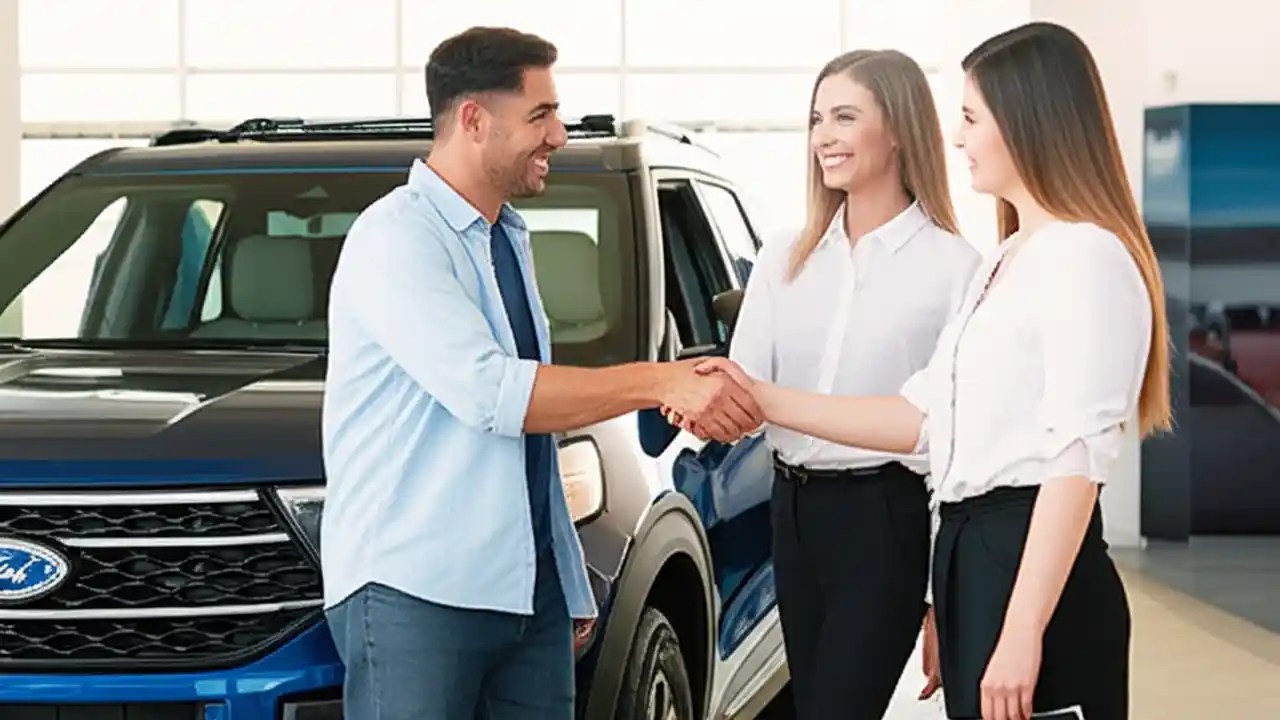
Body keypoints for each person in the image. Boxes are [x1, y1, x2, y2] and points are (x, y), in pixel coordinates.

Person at [689, 21, 1170, 720]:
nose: (958, 137)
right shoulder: (1008, 261)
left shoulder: (1085, 257)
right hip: (973, 553)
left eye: (971, 118)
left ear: (1028, 120)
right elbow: (918, 419)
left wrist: (1021, 632)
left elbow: (1076, 459)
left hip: (1021, 556)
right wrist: (754, 395)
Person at [319, 26, 762, 720]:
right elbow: (494, 394)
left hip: (527, 595)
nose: (558, 134)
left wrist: (565, 577)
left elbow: (530, 443)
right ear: (474, 120)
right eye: (540, 114)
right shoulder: (396, 237)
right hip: (418, 595)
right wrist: (660, 380)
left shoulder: (506, 237)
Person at [683, 48, 978, 719]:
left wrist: (940, 594)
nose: (823, 136)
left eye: (845, 116)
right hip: (789, 514)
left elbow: (953, 445)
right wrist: (703, 405)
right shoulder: (784, 255)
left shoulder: (954, 268)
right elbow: (747, 396)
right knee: (813, 702)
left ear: (899, 128)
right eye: (817, 118)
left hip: (886, 520)